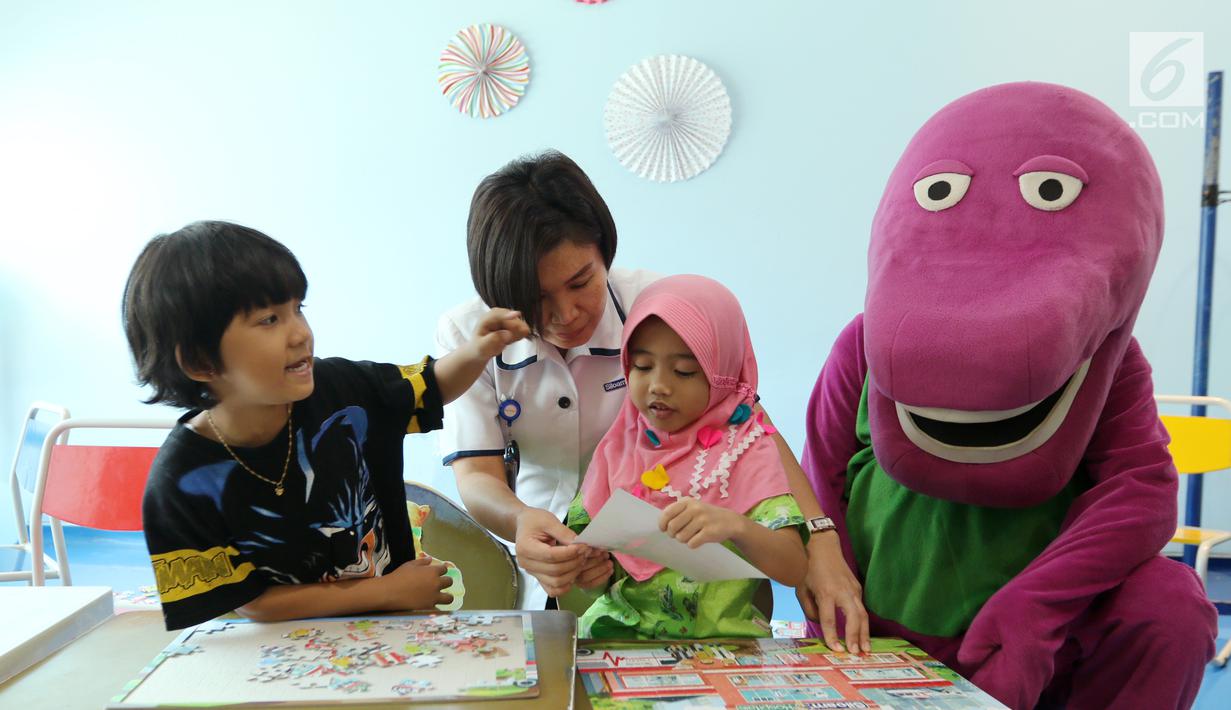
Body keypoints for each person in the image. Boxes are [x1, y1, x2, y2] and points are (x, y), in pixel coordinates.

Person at [438, 151, 869, 653]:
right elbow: (476, 476)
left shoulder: (655, 307)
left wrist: (820, 539)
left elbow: (748, 422)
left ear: (604, 250)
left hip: (697, 577)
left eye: (581, 282)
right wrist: (518, 519)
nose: (566, 313)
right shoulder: (469, 334)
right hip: (568, 560)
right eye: (535, 299)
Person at [123, 220, 529, 630]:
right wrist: (389, 591)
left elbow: (433, 385)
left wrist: (478, 351)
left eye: (297, 309)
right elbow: (253, 603)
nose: (300, 333)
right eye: (268, 320)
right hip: (285, 655)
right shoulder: (180, 483)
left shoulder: (341, 388)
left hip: (396, 632)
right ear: (199, 361)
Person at [565, 275, 808, 639]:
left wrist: (736, 526)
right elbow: (587, 568)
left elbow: (794, 567)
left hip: (721, 650)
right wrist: (588, 573)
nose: (659, 385)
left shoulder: (745, 450)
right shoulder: (620, 445)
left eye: (684, 371)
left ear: (722, 374)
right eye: (642, 366)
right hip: (616, 637)